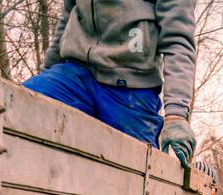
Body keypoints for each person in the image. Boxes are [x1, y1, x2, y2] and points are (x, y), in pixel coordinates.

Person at [24, 0, 197, 164]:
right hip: (75, 74)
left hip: (132, 87)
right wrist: (48, 74)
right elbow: (67, 18)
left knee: (136, 170)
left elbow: (177, 40)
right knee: (22, 106)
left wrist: (176, 115)